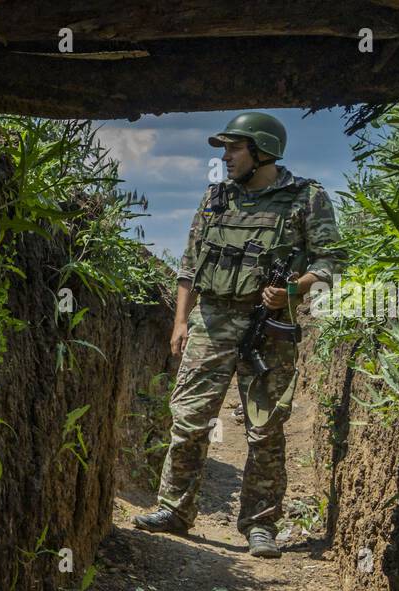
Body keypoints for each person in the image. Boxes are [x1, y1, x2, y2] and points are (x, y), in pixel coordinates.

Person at [135, 112, 344, 557]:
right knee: (189, 419)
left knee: (265, 429)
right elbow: (190, 266)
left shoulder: (306, 198)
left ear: (262, 151)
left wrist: (294, 288)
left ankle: (260, 524)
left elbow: (331, 263)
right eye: (225, 149)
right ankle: (173, 509)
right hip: (210, 322)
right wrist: (180, 323)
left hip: (269, 328)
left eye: (234, 148)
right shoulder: (215, 198)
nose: (225, 157)